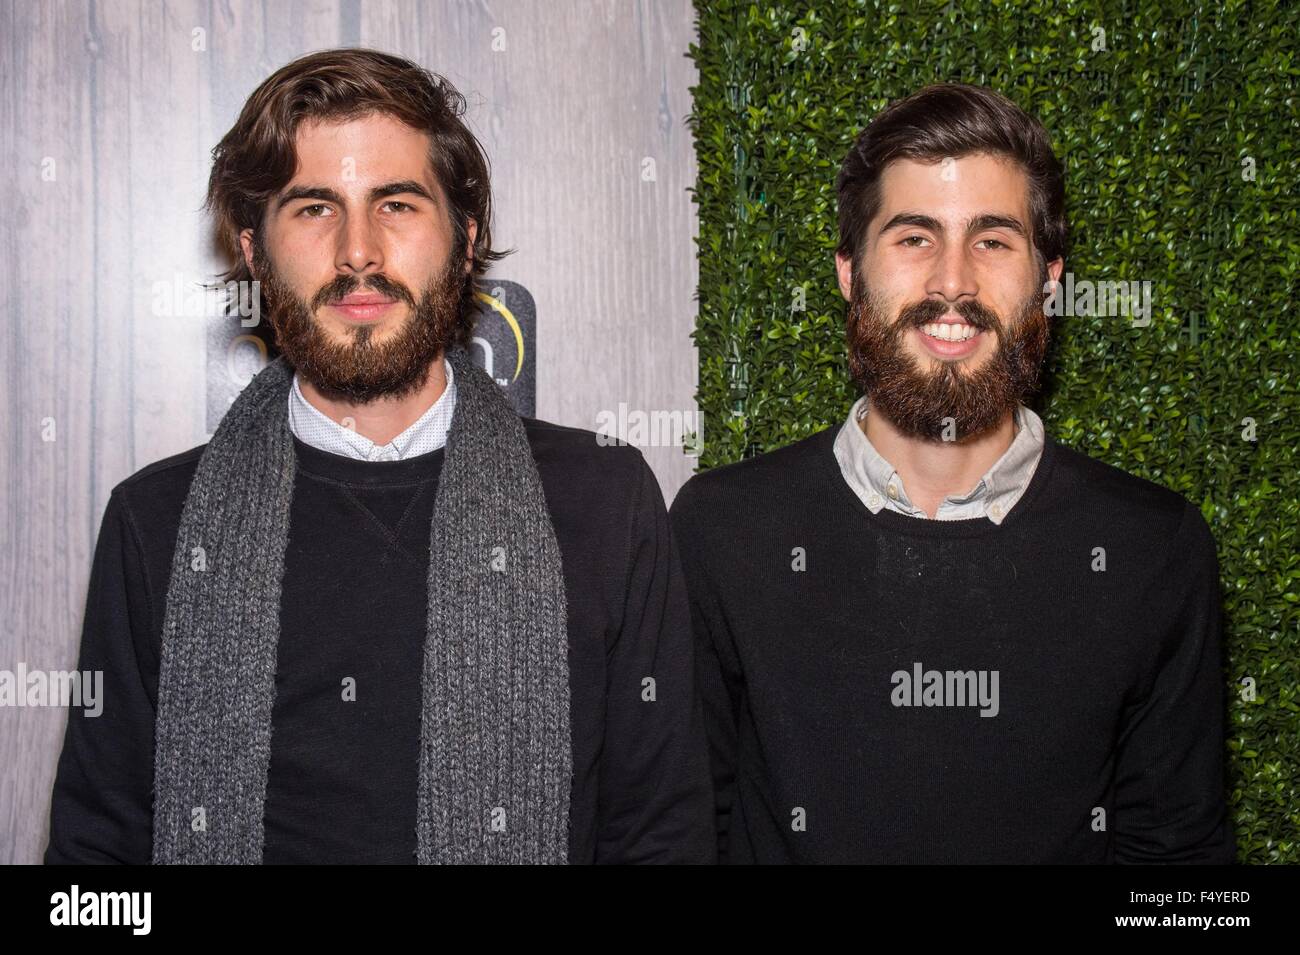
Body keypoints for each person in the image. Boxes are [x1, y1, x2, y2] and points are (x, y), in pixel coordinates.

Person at [45, 48, 713, 865]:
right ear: (253, 251)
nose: (358, 251)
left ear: (466, 242)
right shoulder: (159, 520)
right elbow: (94, 861)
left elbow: (660, 836)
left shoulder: (605, 500)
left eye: (396, 204)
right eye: (315, 208)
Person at [669, 82, 1233, 864]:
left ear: (1050, 279)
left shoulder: (1152, 547)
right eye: (914, 237)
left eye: (993, 240)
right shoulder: (721, 529)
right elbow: (685, 833)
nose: (953, 284)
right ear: (848, 273)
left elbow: (1183, 871)